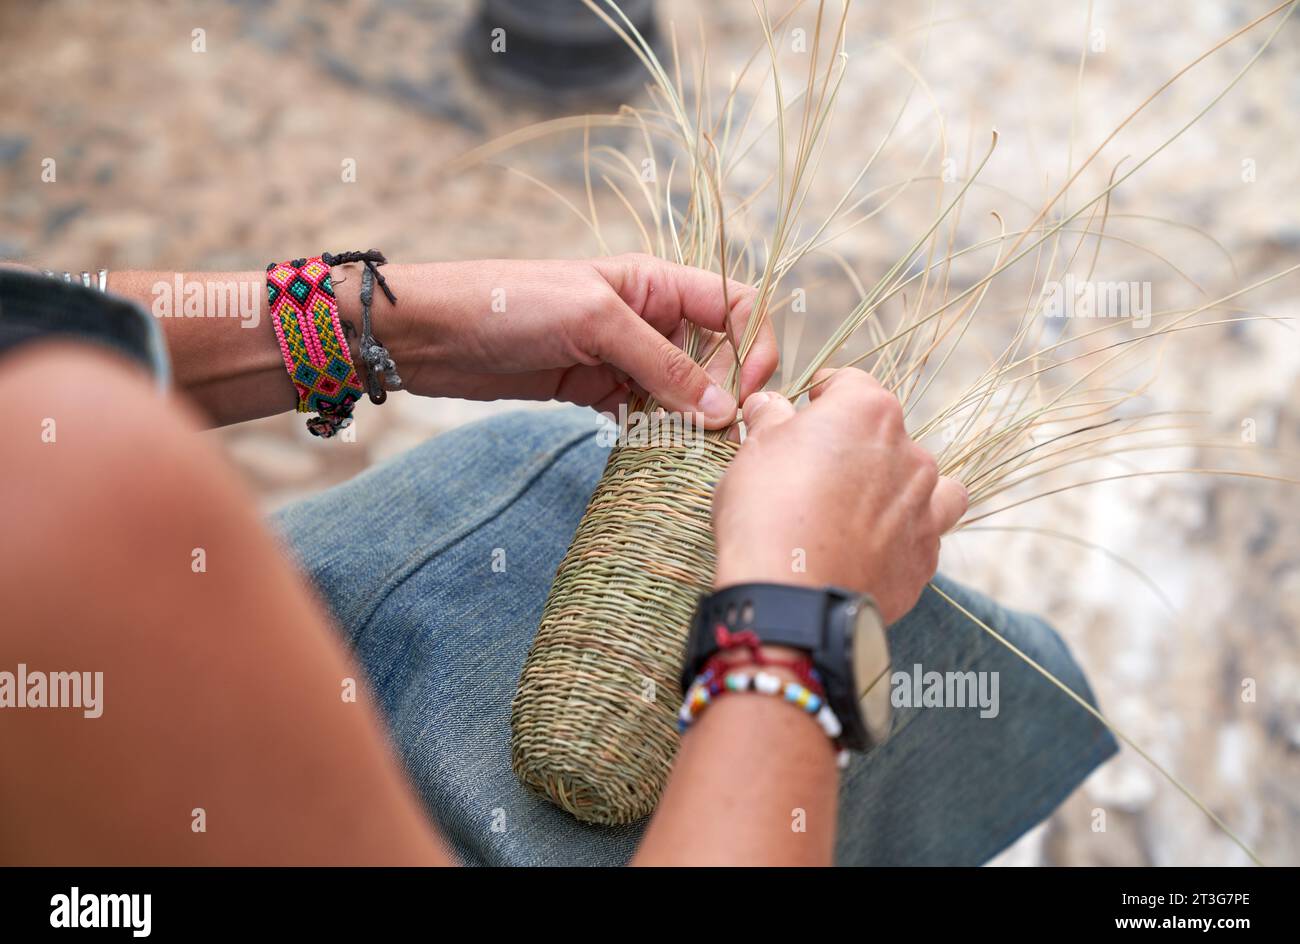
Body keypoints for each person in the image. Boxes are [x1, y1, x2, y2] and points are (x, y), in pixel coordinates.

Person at [0, 254, 1115, 865]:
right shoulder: (76, 502)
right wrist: (806, 613)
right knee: (916, 658)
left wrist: (379, 322)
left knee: (554, 460)